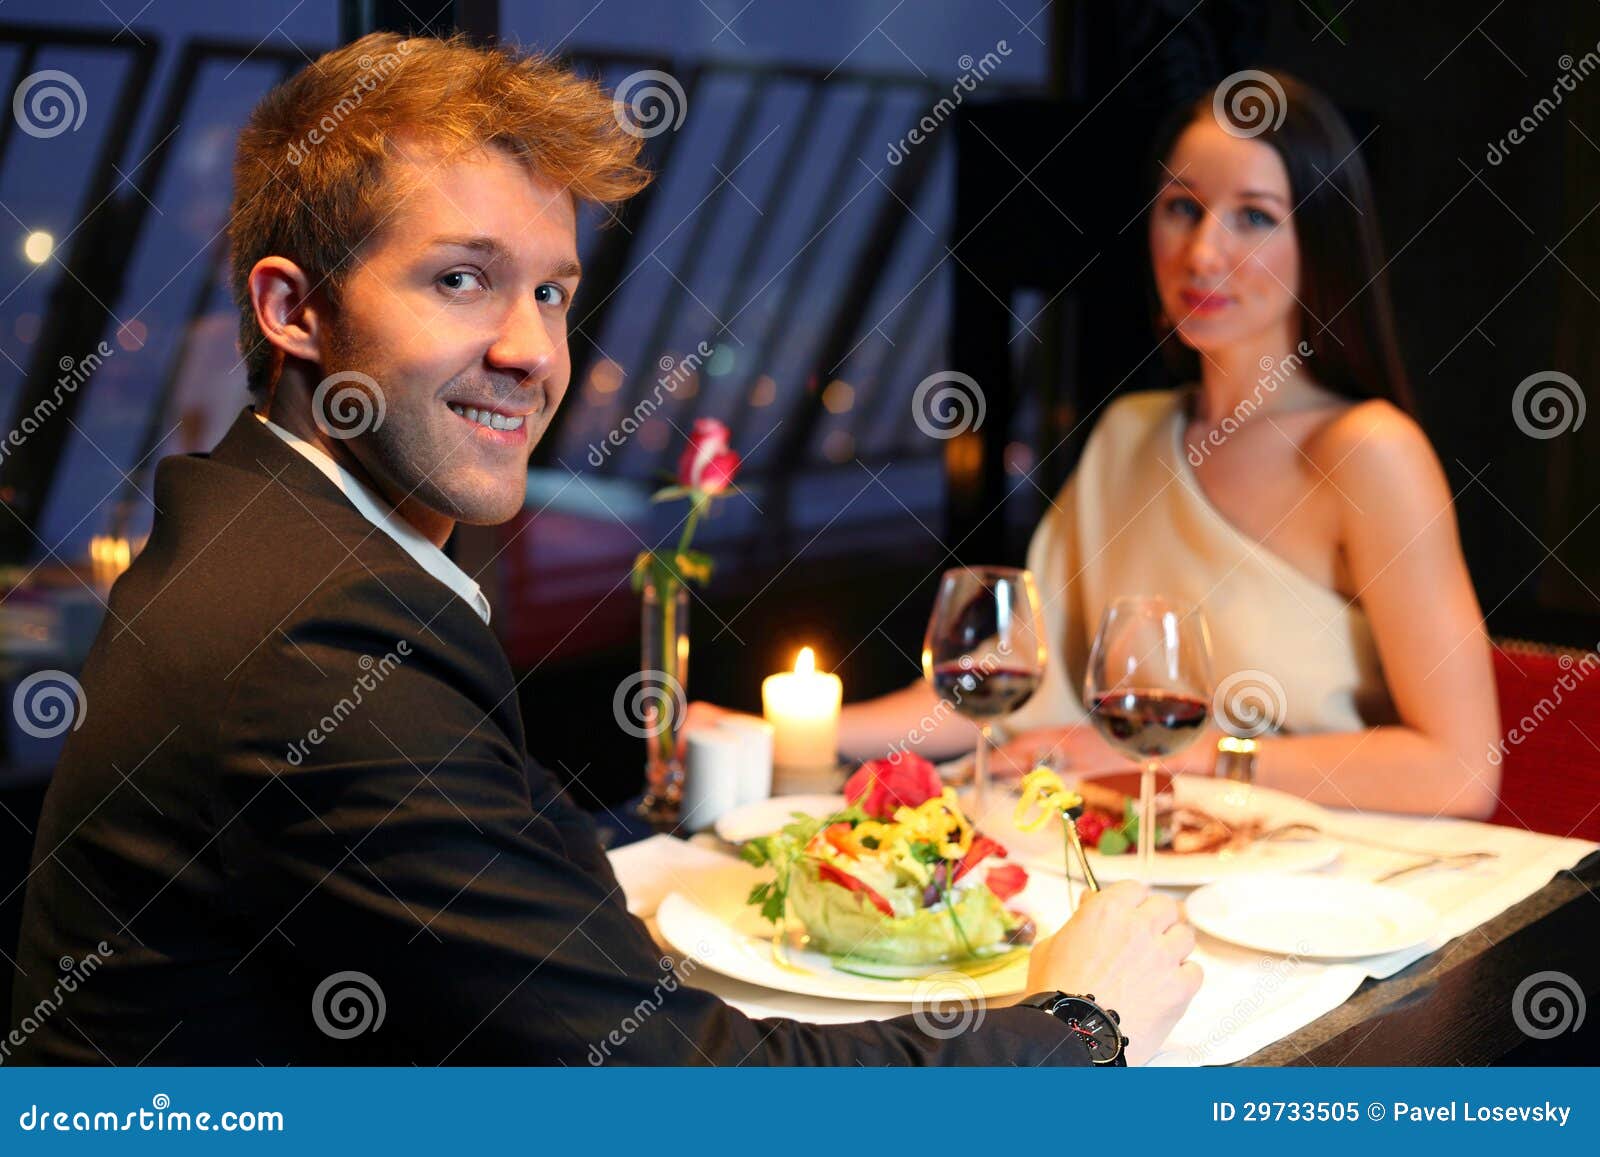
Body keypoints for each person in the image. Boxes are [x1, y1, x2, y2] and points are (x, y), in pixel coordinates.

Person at [7, 33, 1199, 1067]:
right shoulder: (315, 631)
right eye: (462, 279)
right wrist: (1075, 1020)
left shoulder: (266, 528)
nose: (532, 350)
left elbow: (482, 845)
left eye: (551, 294)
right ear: (291, 310)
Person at [811, 71, 1501, 820]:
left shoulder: (1368, 453)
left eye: (1255, 217)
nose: (1204, 251)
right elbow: (997, 685)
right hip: (1135, 855)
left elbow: (1459, 772)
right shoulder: (1129, 433)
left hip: (1319, 891)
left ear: (1321, 242)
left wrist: (1198, 753)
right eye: (1182, 208)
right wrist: (784, 732)